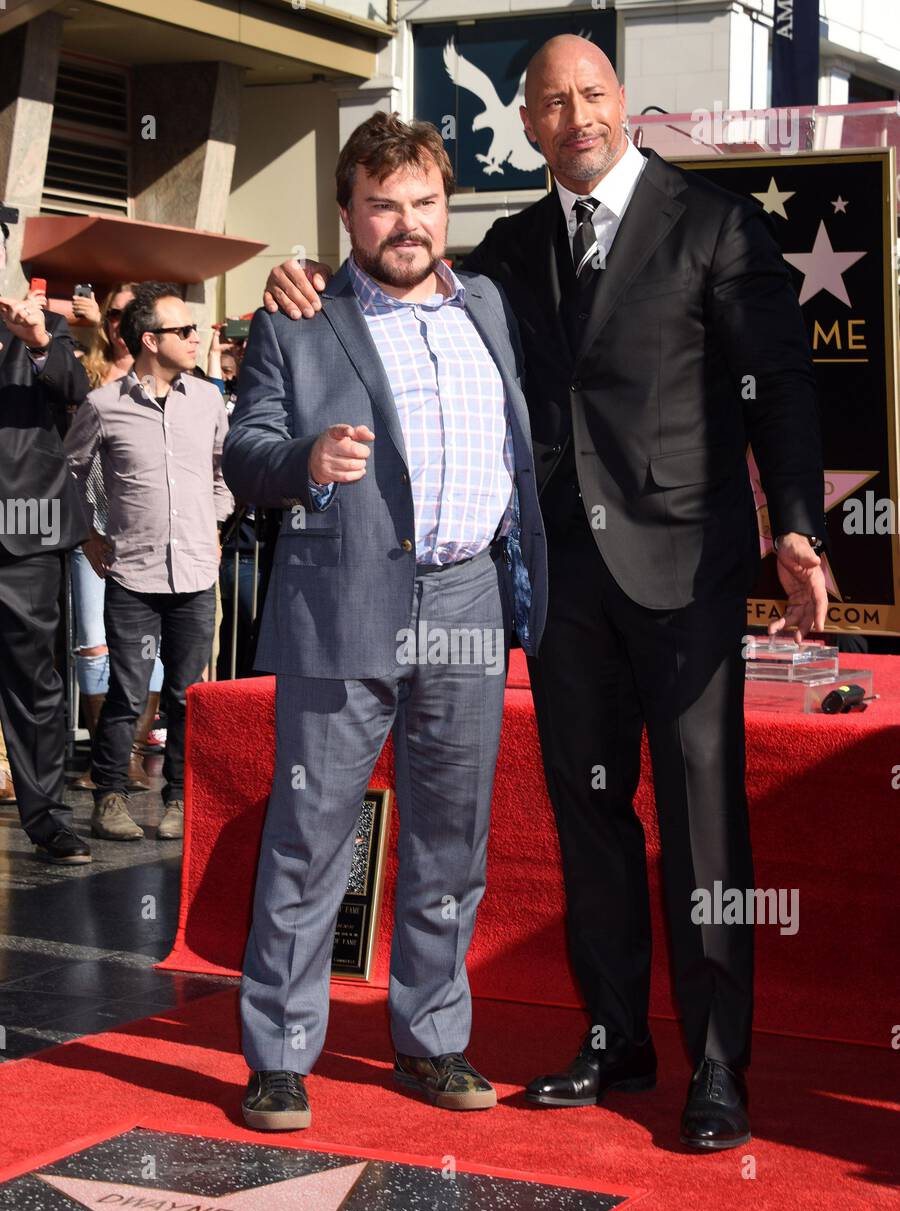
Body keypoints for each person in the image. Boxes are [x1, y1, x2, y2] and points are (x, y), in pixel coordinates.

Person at [263, 37, 827, 1150]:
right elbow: (396, 277)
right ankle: (617, 1035)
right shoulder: (510, 251)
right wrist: (305, 280)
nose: (574, 116)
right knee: (590, 817)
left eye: (592, 95)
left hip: (687, 578)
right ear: (526, 127)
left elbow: (783, 381)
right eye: (551, 104)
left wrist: (799, 523)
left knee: (704, 822)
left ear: (624, 104)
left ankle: (719, 1066)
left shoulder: (713, 224)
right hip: (562, 584)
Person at [223, 111, 547, 1132]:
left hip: (466, 598)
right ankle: (278, 1055)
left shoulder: (489, 303)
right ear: (347, 214)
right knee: (310, 837)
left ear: (446, 206)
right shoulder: (298, 314)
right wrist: (305, 462)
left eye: (423, 202)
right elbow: (245, 453)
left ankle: (433, 1038)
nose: (406, 223)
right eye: (382, 205)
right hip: (343, 602)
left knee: (454, 839)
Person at [65, 281, 233, 842]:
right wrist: (89, 534)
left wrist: (214, 521)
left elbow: (222, 471)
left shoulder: (208, 399)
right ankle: (109, 796)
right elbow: (69, 473)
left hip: (194, 574)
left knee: (188, 694)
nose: (194, 337)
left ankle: (180, 800)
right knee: (128, 692)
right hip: (133, 575)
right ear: (149, 340)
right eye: (182, 330)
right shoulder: (103, 404)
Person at [0, 236, 93, 864]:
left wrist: (37, 341)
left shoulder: (45, 329)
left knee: (35, 681)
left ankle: (46, 817)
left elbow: (76, 387)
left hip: (24, 536)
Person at [70, 282, 165, 793]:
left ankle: (127, 756)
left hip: (149, 531)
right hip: (92, 528)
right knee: (92, 642)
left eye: (128, 315)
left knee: (146, 645)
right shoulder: (87, 370)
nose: (118, 323)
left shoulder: (168, 378)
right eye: (111, 315)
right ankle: (102, 760)